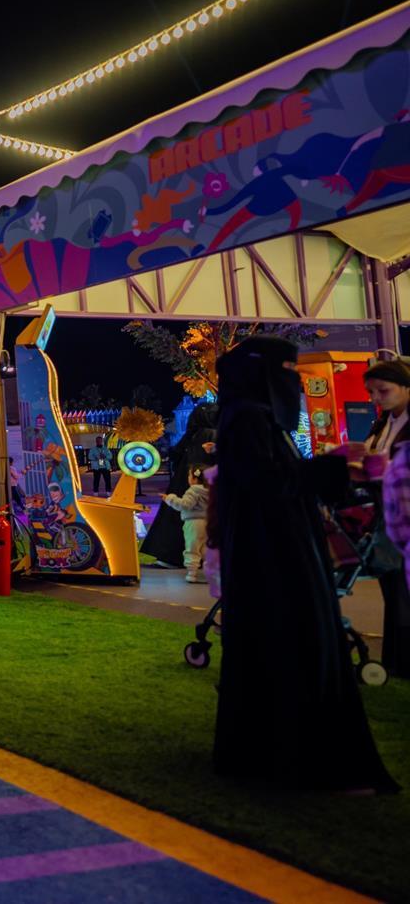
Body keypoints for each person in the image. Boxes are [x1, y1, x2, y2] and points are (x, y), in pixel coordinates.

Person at [210, 335, 397, 793]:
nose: (293, 383)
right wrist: (333, 466)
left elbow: (278, 480)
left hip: (275, 550)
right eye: (288, 372)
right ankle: (306, 759)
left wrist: (330, 468)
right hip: (274, 557)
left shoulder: (252, 418)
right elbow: (268, 482)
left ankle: (277, 753)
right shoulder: (249, 419)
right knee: (299, 642)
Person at [359, 359, 410, 678]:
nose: (377, 398)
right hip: (386, 515)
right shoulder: (383, 424)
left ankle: (402, 661)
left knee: (402, 591)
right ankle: (395, 659)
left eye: (383, 390)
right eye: (372, 392)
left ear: (406, 387)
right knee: (393, 590)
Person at [143, 400, 218, 567]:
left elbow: (180, 456)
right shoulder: (211, 435)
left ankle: (174, 556)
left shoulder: (198, 435)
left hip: (188, 488)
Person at [163, 467, 209, 583]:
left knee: (192, 547)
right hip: (208, 523)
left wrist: (170, 498)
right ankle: (212, 572)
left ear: (194, 478)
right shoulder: (210, 490)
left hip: (193, 523)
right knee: (206, 549)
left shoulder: (193, 491)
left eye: (189, 475)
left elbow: (185, 505)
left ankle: (192, 573)